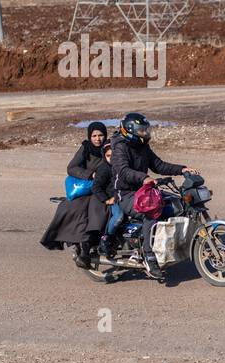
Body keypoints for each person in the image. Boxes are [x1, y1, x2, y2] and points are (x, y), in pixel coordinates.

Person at [111, 112, 196, 277]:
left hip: (144, 190)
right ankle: (149, 255)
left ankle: (169, 245)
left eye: (146, 130)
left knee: (178, 203)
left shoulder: (142, 147)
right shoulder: (120, 147)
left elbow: (158, 165)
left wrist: (182, 169)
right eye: (142, 130)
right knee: (152, 210)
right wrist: (144, 178)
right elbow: (123, 171)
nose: (145, 133)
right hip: (126, 194)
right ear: (131, 130)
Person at [40, 121, 111, 268]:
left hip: (103, 189)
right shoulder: (85, 148)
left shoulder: (110, 148)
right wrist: (90, 174)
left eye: (101, 135)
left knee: (101, 211)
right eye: (94, 136)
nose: (98, 139)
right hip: (87, 189)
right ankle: (83, 249)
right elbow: (71, 168)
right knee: (73, 209)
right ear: (90, 137)